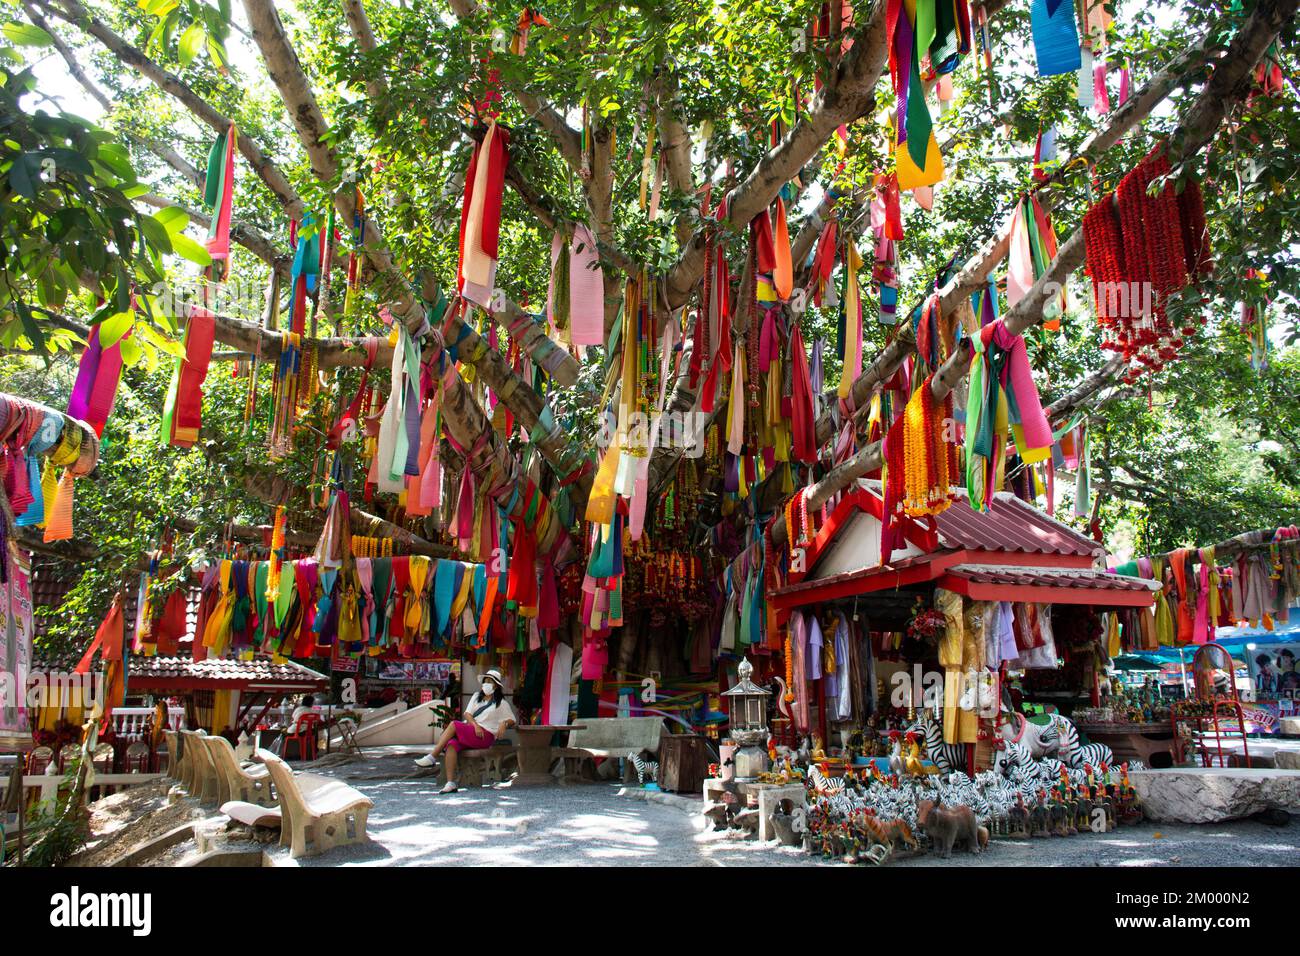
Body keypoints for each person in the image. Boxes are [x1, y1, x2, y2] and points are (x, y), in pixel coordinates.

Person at [414, 669, 515, 793]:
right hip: (472, 730)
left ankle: (432, 756)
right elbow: (467, 714)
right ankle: (450, 783)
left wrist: (504, 723)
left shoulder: (501, 704)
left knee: (454, 724)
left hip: (486, 735)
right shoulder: (476, 697)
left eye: (490, 681)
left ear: (496, 686)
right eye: (485, 681)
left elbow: (512, 719)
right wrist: (475, 725)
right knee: (452, 744)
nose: (486, 684)